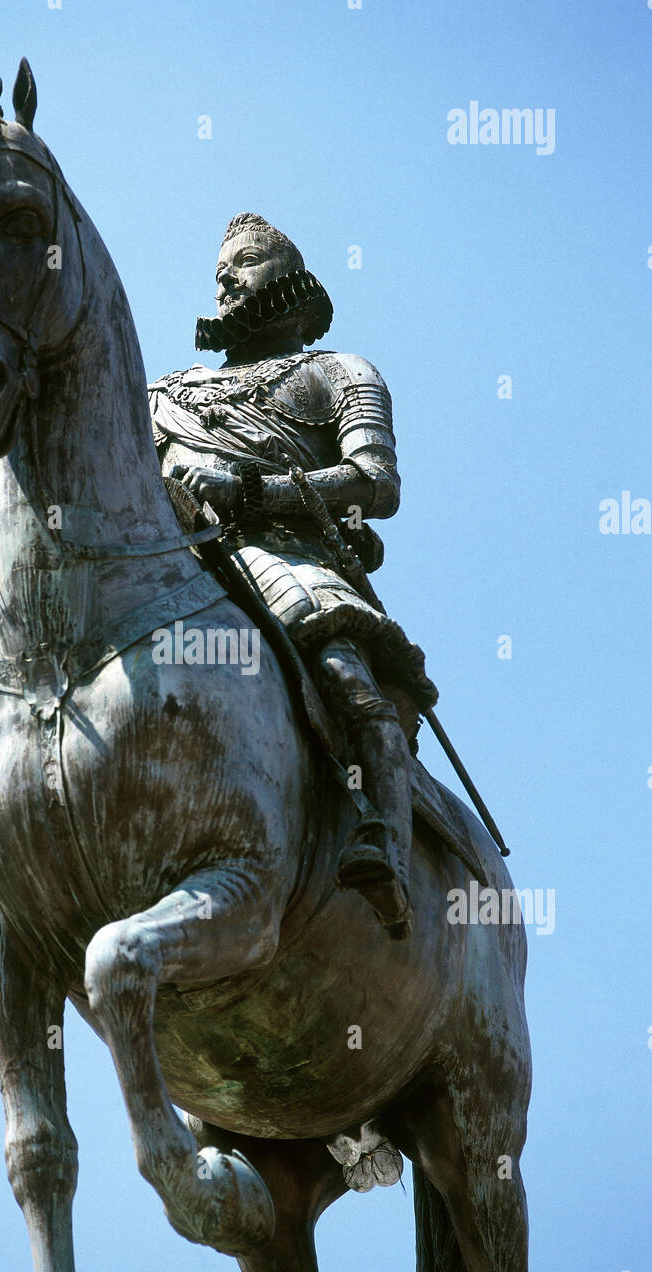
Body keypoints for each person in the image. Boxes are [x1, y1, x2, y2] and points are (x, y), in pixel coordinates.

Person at [148, 213, 437, 936]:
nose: (224, 275)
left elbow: (377, 482)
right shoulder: (166, 391)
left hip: (286, 551)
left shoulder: (340, 371)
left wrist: (251, 491)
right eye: (219, 265)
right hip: (173, 556)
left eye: (244, 260)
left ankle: (384, 839)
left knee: (343, 671)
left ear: (290, 279)